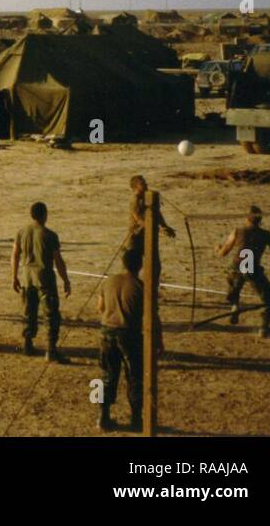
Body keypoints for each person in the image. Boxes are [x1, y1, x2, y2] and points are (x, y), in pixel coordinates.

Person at [94, 249, 158, 432]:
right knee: (135, 376)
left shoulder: (108, 281)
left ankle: (102, 416)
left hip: (107, 332)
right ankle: (136, 418)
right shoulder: (141, 286)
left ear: (122, 263)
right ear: (139, 266)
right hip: (129, 334)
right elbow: (152, 315)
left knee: (106, 376)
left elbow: (100, 308)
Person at [11, 201, 72, 362]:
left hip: (26, 278)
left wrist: (14, 276)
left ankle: (28, 344)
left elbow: (15, 254)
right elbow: (58, 260)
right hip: (44, 279)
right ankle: (51, 349)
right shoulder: (49, 235)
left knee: (28, 312)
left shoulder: (22, 232)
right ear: (44, 215)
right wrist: (65, 280)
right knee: (51, 314)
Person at [217, 205, 270, 337]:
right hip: (252, 269)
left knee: (234, 282)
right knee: (269, 300)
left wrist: (217, 248)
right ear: (260, 221)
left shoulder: (237, 231)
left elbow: (223, 253)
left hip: (236, 267)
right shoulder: (266, 235)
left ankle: (234, 305)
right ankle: (263, 328)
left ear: (247, 219)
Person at [124, 175, 175, 275]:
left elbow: (157, 213)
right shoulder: (134, 199)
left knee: (154, 266)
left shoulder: (149, 196)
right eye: (142, 183)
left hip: (148, 235)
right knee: (132, 266)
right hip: (136, 237)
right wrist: (155, 228)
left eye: (145, 183)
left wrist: (164, 226)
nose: (146, 185)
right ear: (135, 187)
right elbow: (138, 218)